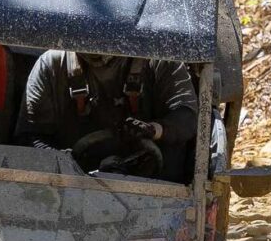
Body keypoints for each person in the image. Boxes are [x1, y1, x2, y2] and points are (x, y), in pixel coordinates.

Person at [20, 52, 197, 177]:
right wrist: (65, 161)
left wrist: (153, 130)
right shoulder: (51, 66)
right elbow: (31, 136)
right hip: (68, 190)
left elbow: (187, 118)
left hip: (155, 191)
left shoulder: (161, 60)